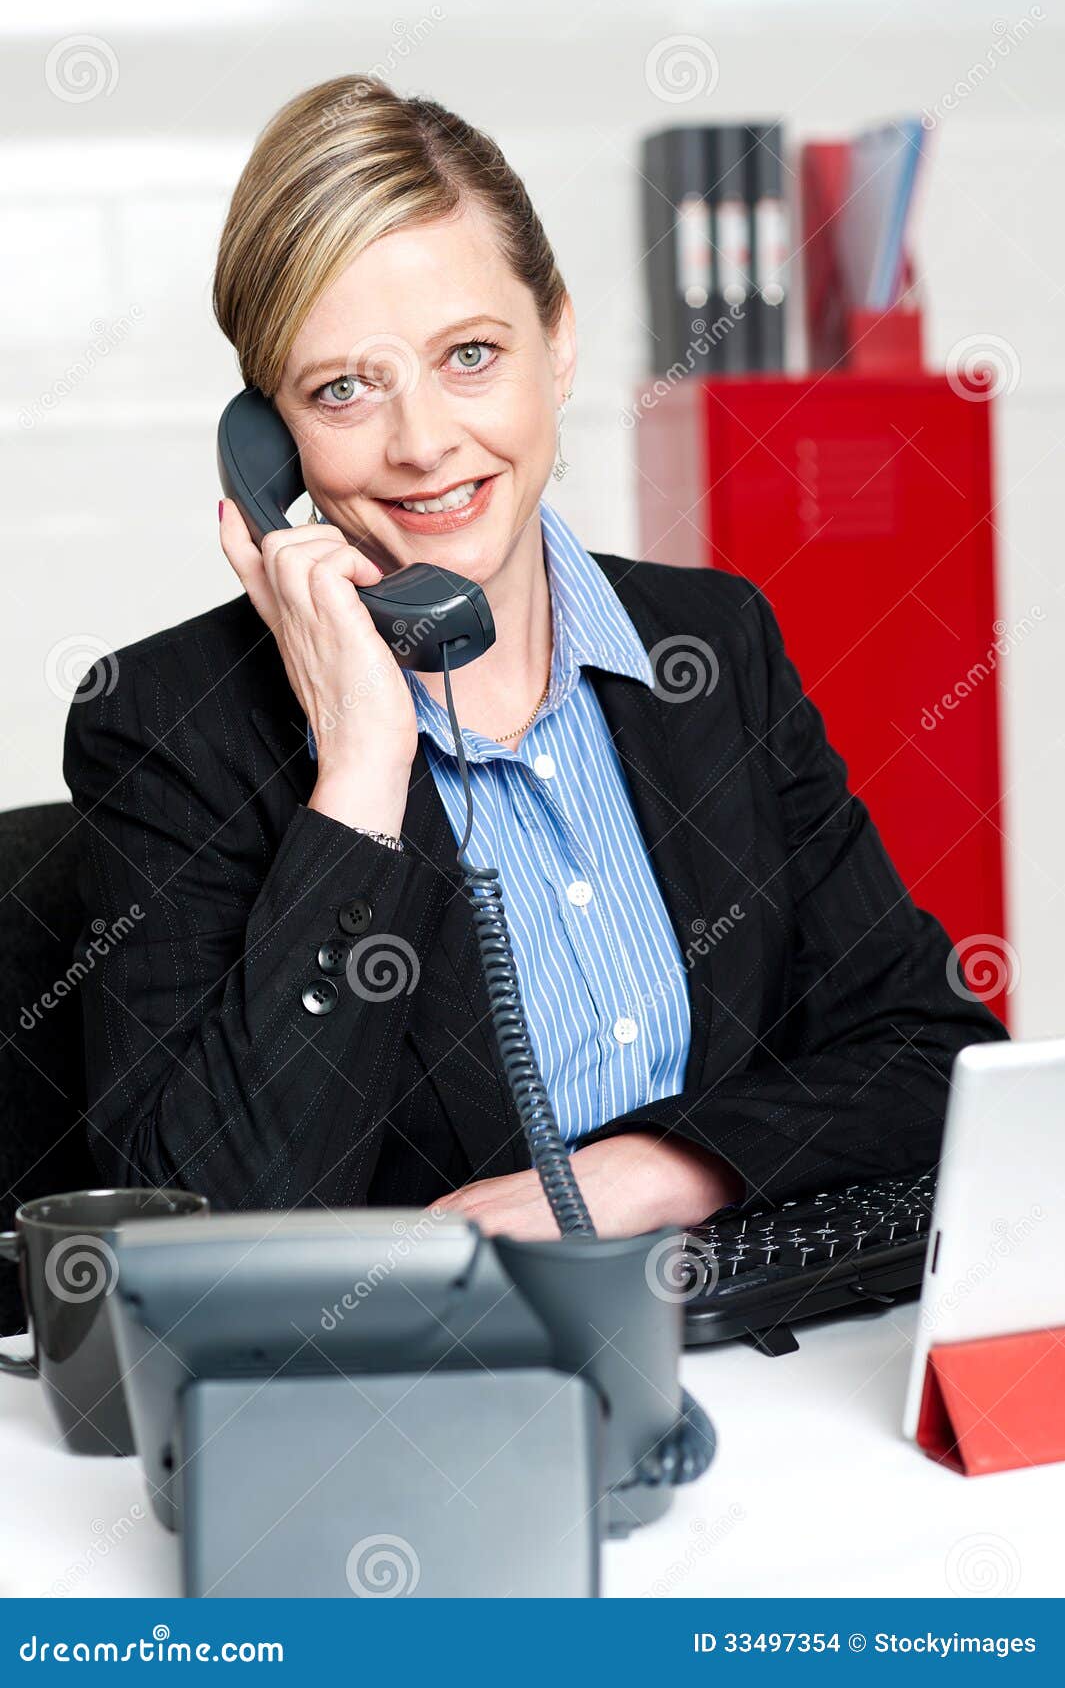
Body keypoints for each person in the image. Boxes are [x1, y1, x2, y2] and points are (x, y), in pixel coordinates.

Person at [63, 75, 1008, 1240]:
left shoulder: (710, 645)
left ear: (557, 342)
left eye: (470, 354)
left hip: (745, 1331)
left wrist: (645, 1174)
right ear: (269, 441)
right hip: (423, 1359)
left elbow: (930, 1055)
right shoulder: (170, 725)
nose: (423, 443)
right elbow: (188, 1233)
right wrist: (359, 775)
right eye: (344, 388)